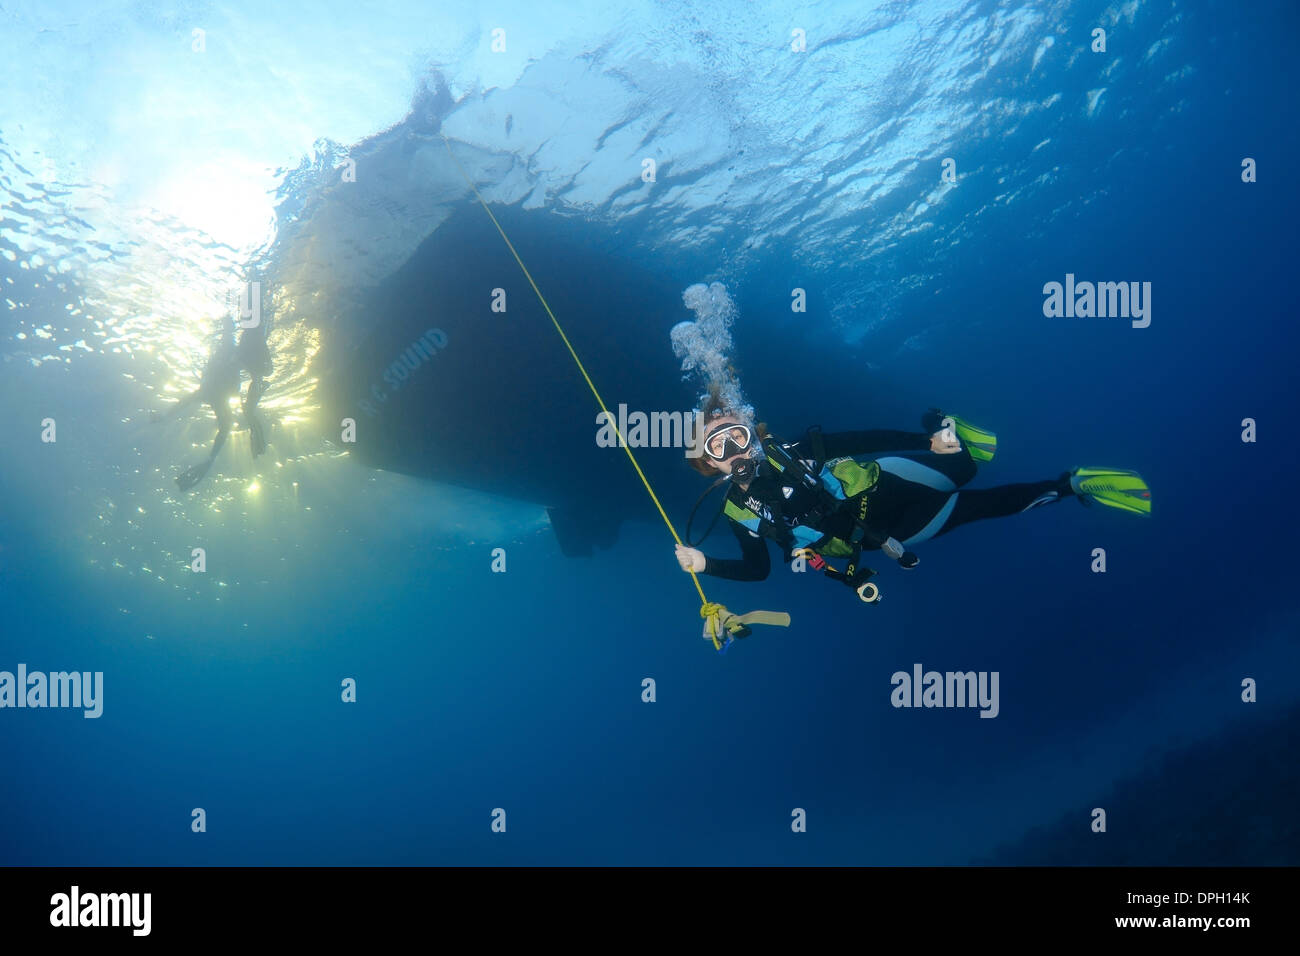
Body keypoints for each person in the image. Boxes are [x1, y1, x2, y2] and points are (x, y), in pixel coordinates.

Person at [673, 389, 1150, 605]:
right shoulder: (738, 514)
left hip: (888, 480)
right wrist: (704, 565)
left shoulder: (789, 450)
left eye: (736, 435)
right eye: (719, 446)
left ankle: (938, 425)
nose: (735, 450)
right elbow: (758, 570)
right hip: (886, 534)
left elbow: (857, 441)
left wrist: (925, 443)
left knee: (964, 466)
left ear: (751, 433)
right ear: (707, 463)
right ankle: (1073, 484)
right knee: (984, 506)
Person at [155, 317, 272, 490]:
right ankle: (211, 458)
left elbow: (185, 402)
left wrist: (165, 416)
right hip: (219, 389)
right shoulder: (211, 388)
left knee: (225, 424)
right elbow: (186, 402)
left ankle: (211, 458)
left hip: (218, 389)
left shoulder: (209, 389)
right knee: (225, 425)